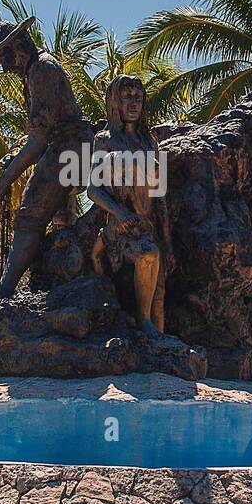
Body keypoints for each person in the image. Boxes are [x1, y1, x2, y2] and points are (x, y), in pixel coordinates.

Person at [0, 17, 94, 297]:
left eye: (4, 57)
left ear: (18, 47)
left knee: (31, 214)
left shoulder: (41, 70)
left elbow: (40, 139)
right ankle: (60, 279)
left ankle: (4, 291)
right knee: (61, 218)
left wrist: (3, 181)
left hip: (70, 147)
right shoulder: (34, 72)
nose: (5, 67)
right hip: (67, 147)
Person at [87, 74, 170, 336]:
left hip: (149, 221)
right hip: (122, 224)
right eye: (127, 97)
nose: (134, 103)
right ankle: (143, 321)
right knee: (148, 255)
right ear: (116, 103)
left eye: (138, 97)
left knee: (160, 293)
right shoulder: (105, 140)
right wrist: (120, 211)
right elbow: (92, 190)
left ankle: (159, 345)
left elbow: (159, 191)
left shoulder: (149, 141)